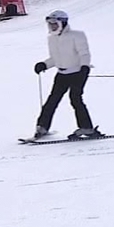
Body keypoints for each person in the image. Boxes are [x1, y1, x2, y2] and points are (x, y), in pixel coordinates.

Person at [32, 10, 102, 139]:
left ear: (63, 23)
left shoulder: (77, 35)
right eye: (50, 24)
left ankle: (87, 128)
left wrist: (85, 67)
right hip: (61, 74)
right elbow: (55, 58)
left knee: (75, 99)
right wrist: (44, 64)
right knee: (52, 101)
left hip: (77, 73)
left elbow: (84, 54)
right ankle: (42, 127)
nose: (52, 26)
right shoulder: (51, 39)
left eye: (55, 23)